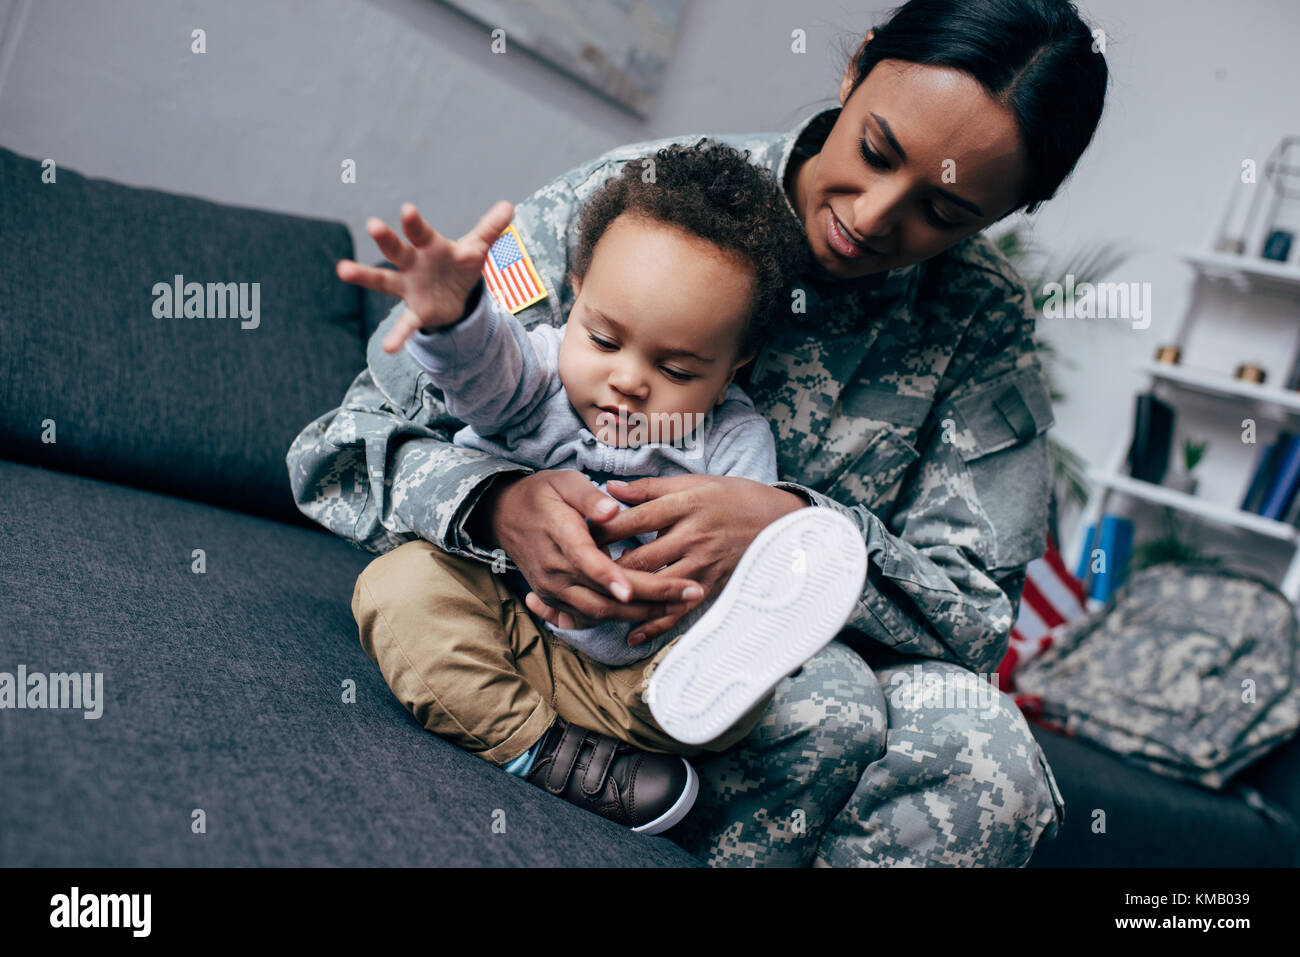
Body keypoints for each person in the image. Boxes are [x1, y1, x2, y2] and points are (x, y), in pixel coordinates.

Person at [287, 0, 1109, 866]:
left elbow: (973, 620)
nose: (872, 215)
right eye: (875, 150)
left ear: (1011, 210)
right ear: (856, 68)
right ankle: (559, 758)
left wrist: (795, 530)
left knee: (975, 748)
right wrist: (497, 508)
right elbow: (345, 447)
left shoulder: (979, 326)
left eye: (943, 212)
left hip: (725, 692)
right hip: (516, 629)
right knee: (410, 592)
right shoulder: (643, 208)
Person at [344, 141, 868, 834]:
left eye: (678, 369)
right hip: (505, 625)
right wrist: (455, 317)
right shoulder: (539, 378)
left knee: (746, 696)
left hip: (639, 683)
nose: (628, 379)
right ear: (577, 295)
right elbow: (482, 370)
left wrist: (738, 574)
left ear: (735, 364)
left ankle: (652, 725)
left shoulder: (733, 442)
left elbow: (744, 562)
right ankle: (541, 749)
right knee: (396, 590)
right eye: (603, 338)